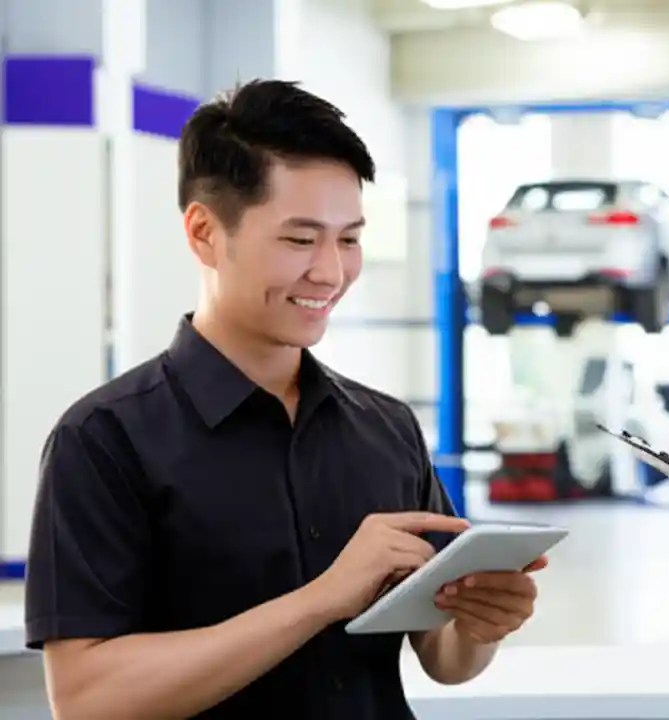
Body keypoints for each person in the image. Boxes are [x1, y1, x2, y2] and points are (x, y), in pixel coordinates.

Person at [24, 79, 547, 719]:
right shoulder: (103, 438)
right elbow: (86, 700)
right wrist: (322, 599)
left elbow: (442, 656)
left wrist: (478, 624)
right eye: (300, 240)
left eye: (349, 239)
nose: (330, 272)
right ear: (204, 233)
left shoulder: (386, 427)